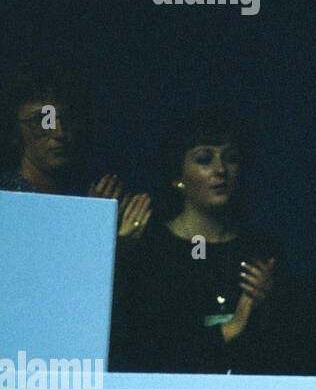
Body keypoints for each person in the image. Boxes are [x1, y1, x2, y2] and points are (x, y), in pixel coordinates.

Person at [108, 110, 283, 374]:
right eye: (204, 159)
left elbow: (280, 351)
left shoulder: (260, 248)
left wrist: (269, 304)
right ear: (178, 177)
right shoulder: (153, 248)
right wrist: (230, 328)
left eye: (231, 159)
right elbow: (146, 348)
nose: (220, 170)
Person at [1, 59, 151, 237]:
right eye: (41, 121)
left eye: (67, 118)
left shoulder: (85, 191)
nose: (60, 132)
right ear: (14, 131)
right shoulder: (7, 199)